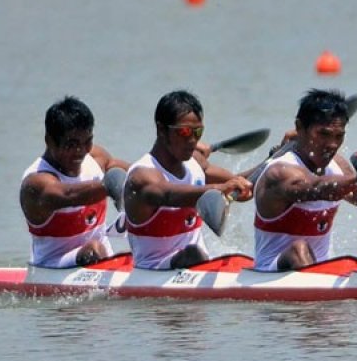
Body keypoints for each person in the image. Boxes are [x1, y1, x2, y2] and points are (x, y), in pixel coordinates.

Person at [124, 90, 253, 270]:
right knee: (193, 253)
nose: (192, 140)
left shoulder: (196, 163)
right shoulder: (141, 177)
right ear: (161, 130)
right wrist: (220, 188)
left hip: (196, 265)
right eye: (184, 132)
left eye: (197, 132)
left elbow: (238, 182)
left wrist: (277, 158)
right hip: (154, 269)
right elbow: (169, 194)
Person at [253, 89, 357, 271]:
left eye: (338, 136)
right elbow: (322, 188)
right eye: (323, 134)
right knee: (298, 249)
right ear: (300, 128)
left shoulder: (338, 165)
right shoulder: (280, 172)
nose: (332, 145)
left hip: (318, 269)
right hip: (270, 271)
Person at [20, 96, 130, 268]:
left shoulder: (95, 158)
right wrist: (111, 185)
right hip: (53, 265)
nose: (81, 151)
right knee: (93, 249)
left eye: (87, 142)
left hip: (101, 259)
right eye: (71, 144)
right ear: (49, 141)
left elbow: (137, 174)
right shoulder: (36, 183)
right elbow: (69, 194)